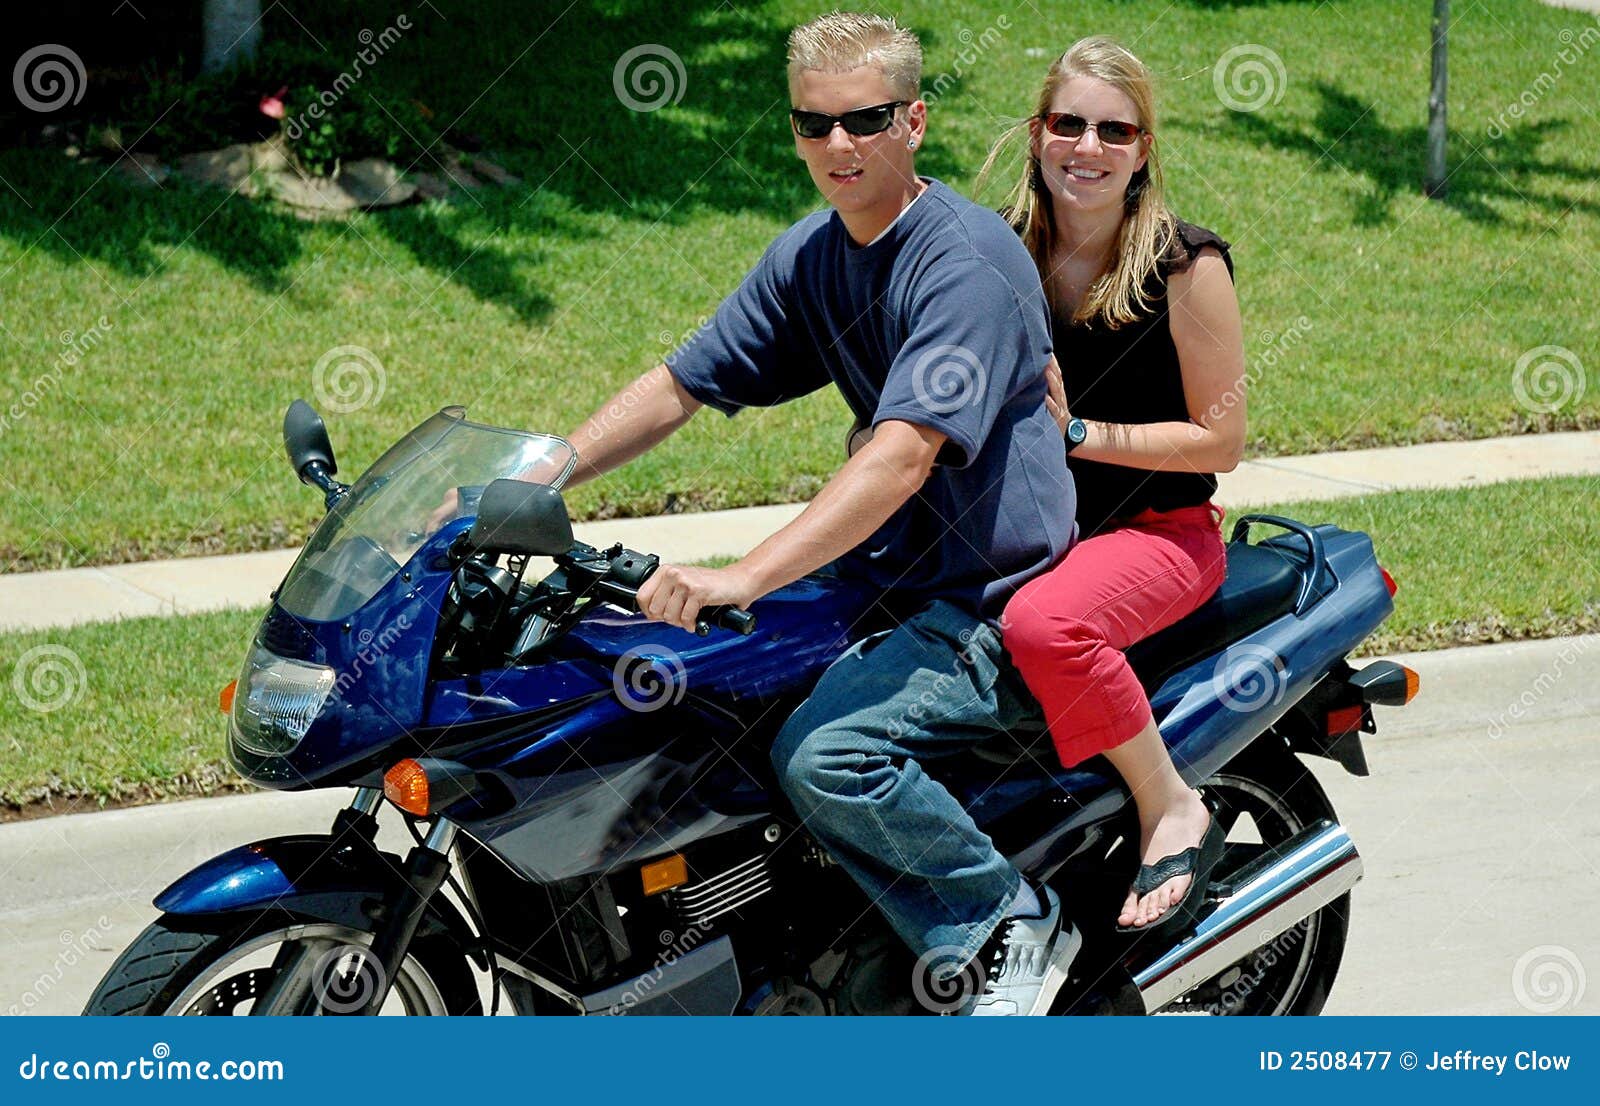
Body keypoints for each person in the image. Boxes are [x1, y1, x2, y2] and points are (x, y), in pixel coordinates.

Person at [561, 13, 1079, 1014]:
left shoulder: (960, 263)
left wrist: (743, 573)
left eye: (864, 119)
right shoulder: (814, 255)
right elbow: (681, 384)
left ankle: (1006, 920)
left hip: (992, 603)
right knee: (699, 702)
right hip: (883, 584)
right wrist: (536, 477)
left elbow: (898, 457)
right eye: (813, 123)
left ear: (914, 121)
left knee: (825, 754)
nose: (836, 145)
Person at [979, 36, 1247, 934]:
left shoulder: (1186, 265)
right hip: (1025, 524)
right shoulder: (998, 250)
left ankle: (1171, 802)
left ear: (1142, 151)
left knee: (1042, 624)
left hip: (1160, 534)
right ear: (1038, 133)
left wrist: (1080, 434)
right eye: (1069, 124)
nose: (1087, 148)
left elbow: (1222, 439)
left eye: (1113, 131)